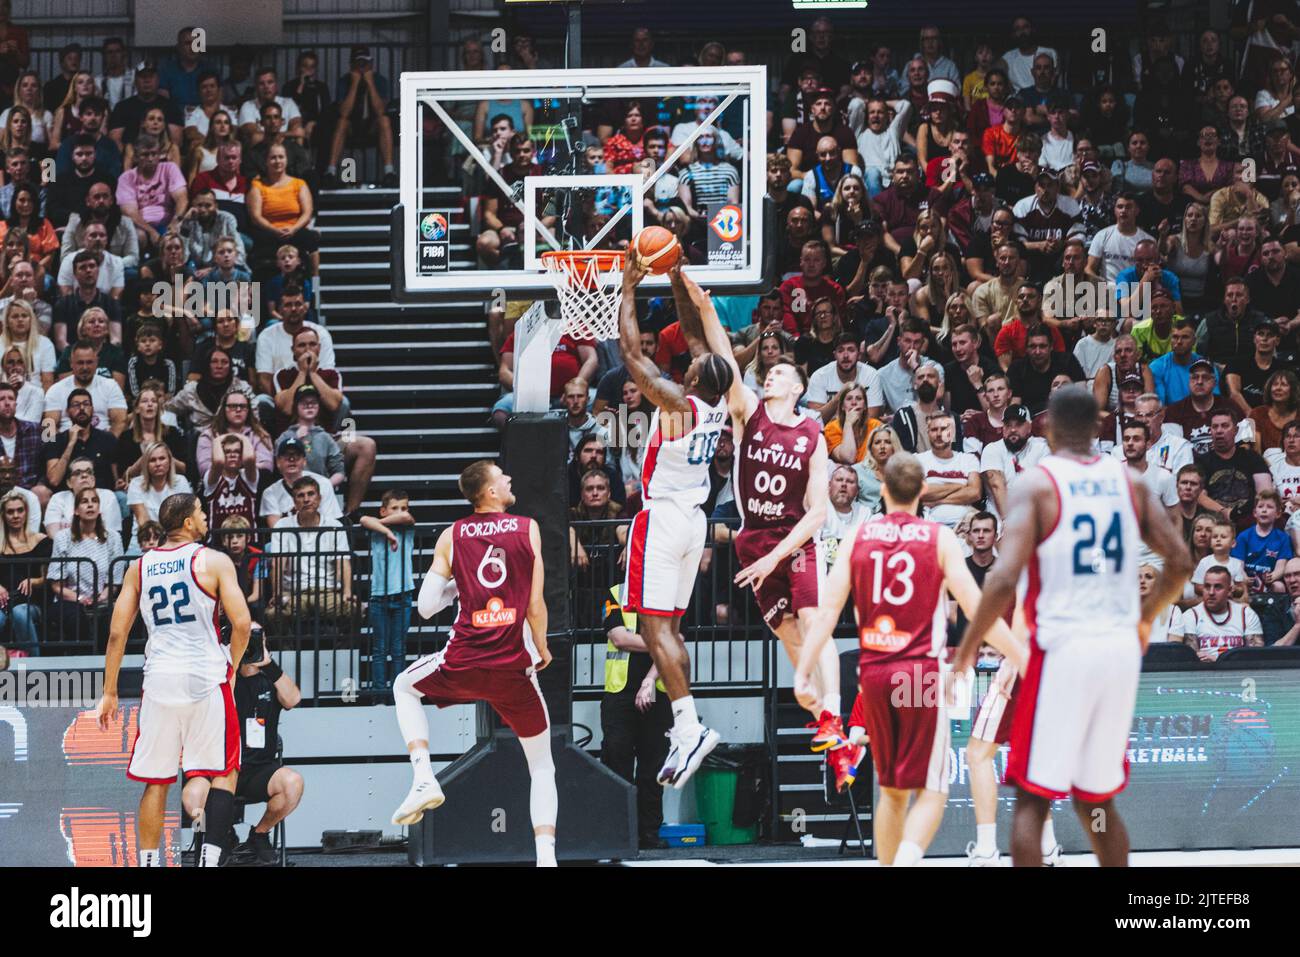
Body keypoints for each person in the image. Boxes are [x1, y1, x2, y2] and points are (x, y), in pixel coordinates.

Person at [955, 385, 1191, 866]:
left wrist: (967, 645)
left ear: (1049, 426)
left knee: (1030, 797)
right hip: (1117, 653)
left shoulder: (1039, 484)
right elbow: (1182, 562)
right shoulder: (1133, 484)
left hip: (1063, 648)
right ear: (1101, 424)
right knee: (1095, 800)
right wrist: (1145, 617)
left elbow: (1001, 579)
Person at [795, 453, 1021, 866]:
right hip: (921, 673)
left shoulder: (857, 538)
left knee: (893, 790)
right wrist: (1021, 654)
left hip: (876, 673)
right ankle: (908, 858)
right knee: (932, 790)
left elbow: (826, 613)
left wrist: (804, 669)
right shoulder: (940, 539)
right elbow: (978, 609)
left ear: (882, 490)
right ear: (922, 493)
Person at [390, 461, 557, 866]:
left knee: (403, 686)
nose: (510, 479)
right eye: (503, 477)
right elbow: (534, 604)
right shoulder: (526, 527)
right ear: (491, 492)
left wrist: (454, 587)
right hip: (512, 668)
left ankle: (423, 777)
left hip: (461, 661)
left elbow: (426, 608)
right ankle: (547, 859)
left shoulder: (452, 535)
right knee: (542, 767)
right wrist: (542, 647)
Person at [617, 257, 736, 789]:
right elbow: (693, 336)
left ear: (690, 378)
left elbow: (630, 354)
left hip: (663, 519)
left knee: (653, 627)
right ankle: (687, 725)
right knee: (671, 628)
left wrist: (626, 286)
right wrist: (673, 279)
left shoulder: (674, 403)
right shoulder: (719, 400)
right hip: (696, 521)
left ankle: (687, 726)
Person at [95, 492, 251, 868]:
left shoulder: (140, 566)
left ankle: (149, 864)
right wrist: (230, 668)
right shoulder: (213, 560)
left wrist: (110, 691)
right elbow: (243, 624)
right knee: (224, 771)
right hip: (205, 677)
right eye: (200, 512)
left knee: (157, 779)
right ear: (186, 522)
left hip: (160, 680)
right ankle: (209, 861)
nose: (204, 518)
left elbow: (117, 634)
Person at [181, 630, 303, 866]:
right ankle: (221, 836)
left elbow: (293, 699)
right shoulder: (220, 678)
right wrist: (230, 660)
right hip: (218, 768)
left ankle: (258, 835)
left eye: (254, 638)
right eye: (244, 637)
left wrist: (269, 664)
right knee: (192, 798)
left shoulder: (271, 678)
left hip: (258, 771)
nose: (249, 644)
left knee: (293, 783)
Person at [266, 477, 352, 624]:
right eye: (300, 495)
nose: (306, 499)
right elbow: (278, 563)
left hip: (328, 591)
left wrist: (347, 592)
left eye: (311, 494)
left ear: (319, 498)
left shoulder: (334, 525)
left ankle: (338, 646)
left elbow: (343, 562)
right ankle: (288, 647)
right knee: (273, 614)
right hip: (294, 593)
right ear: (294, 501)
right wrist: (277, 593)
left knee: (354, 610)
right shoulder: (282, 525)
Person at [360, 489, 415, 691]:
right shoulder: (377, 530)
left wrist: (382, 525)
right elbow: (365, 519)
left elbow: (406, 518)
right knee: (380, 649)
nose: (400, 512)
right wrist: (387, 532)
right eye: (394, 508)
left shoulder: (407, 528)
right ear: (383, 510)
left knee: (398, 649)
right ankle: (379, 693)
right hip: (379, 596)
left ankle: (397, 693)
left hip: (403, 594)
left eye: (403, 507)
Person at [1196, 410, 1273, 531]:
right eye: (1215, 427)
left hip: (1249, 519)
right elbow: (1199, 496)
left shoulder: (1252, 458)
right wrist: (1224, 512)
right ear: (1210, 431)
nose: (1219, 430)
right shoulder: (1202, 461)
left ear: (1235, 430)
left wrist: (1240, 513)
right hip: (1214, 521)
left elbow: (1265, 493)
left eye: (1225, 426)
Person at [0, 487, 47, 653]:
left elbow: (47, 578)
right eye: (10, 512)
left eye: (20, 510)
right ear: (4, 515)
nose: (15, 516)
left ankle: (35, 666)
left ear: (26, 512)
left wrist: (33, 581)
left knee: (19, 612)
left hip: (32, 603)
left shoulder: (40, 540)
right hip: (3, 603)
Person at [1181, 566, 1263, 661]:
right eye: (1207, 586)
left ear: (1229, 590)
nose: (1211, 592)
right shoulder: (1191, 616)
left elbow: (1255, 658)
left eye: (1218, 587)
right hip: (1204, 673)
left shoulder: (1246, 614)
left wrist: (1217, 660)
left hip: (1239, 674)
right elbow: (1191, 660)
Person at [916, 411, 982, 527]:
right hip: (929, 524)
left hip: (965, 524)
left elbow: (975, 492)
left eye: (944, 429)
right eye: (934, 430)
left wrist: (937, 501)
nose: (939, 434)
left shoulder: (968, 459)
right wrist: (959, 486)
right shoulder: (917, 460)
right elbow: (920, 492)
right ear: (928, 433)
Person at [125, 441, 192, 548]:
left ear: (170, 461)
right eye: (152, 460)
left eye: (162, 458)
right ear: (146, 464)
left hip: (175, 541)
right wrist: (156, 543)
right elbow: (144, 522)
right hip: (145, 542)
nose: (158, 463)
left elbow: (181, 519)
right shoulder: (136, 484)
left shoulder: (181, 482)